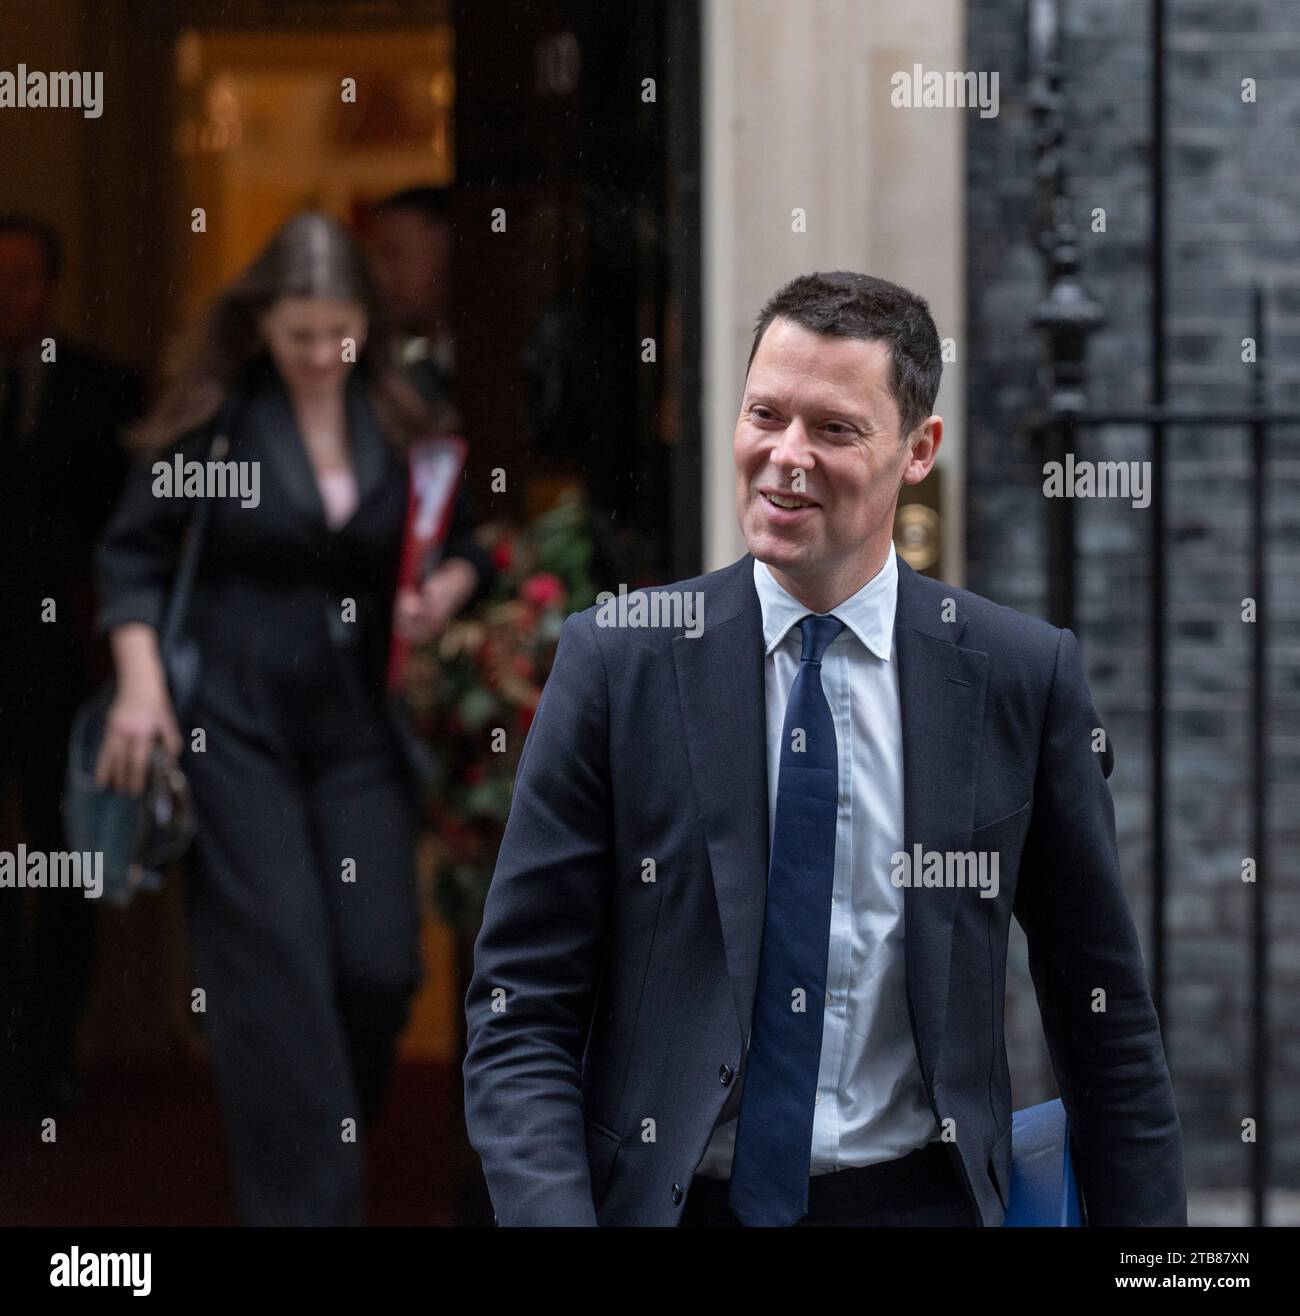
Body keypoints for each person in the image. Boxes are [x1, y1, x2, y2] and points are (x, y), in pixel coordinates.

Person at [462, 270, 1187, 1227]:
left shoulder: (1020, 676)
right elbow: (521, 1012)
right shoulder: (618, 663)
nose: (785, 457)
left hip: (917, 1204)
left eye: (834, 429)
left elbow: (1108, 1026)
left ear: (918, 450)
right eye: (766, 414)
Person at [94, 211, 492, 1226]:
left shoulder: (402, 417)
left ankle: (320, 1146)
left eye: (340, 330)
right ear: (261, 323)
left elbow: (472, 537)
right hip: (233, 727)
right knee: (277, 974)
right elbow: (132, 554)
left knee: (378, 963)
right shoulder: (218, 421)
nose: (323, 353)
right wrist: (142, 683)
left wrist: (444, 583)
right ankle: (306, 1205)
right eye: (301, 332)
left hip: (358, 727)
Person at [0, 213, 142, 1118]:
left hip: (67, 665)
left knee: (63, 863)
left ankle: (45, 1054)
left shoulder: (105, 391)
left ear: (49, 286)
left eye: (21, 276)